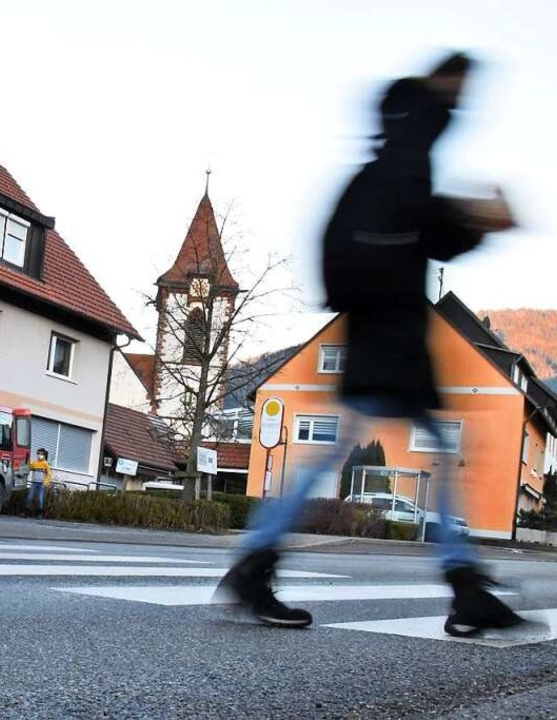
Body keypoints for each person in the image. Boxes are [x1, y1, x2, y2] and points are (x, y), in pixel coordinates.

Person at [218, 51, 527, 637]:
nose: (462, 102)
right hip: (388, 332)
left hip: (386, 328)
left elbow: (406, 231)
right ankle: (461, 590)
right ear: (437, 95)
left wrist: (460, 229)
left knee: (394, 451)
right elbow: (415, 229)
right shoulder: (407, 154)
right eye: (457, 92)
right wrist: (476, 222)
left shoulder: (398, 159)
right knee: (364, 455)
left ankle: (462, 587)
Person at [24, 448, 51, 519]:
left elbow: (48, 474)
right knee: (29, 497)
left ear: (44, 455)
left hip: (41, 484)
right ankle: (26, 512)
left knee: (40, 499)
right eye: (38, 454)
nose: (39, 455)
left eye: (41, 454)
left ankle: (40, 514)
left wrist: (45, 483)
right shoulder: (34, 463)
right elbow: (29, 468)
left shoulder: (46, 464)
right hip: (34, 483)